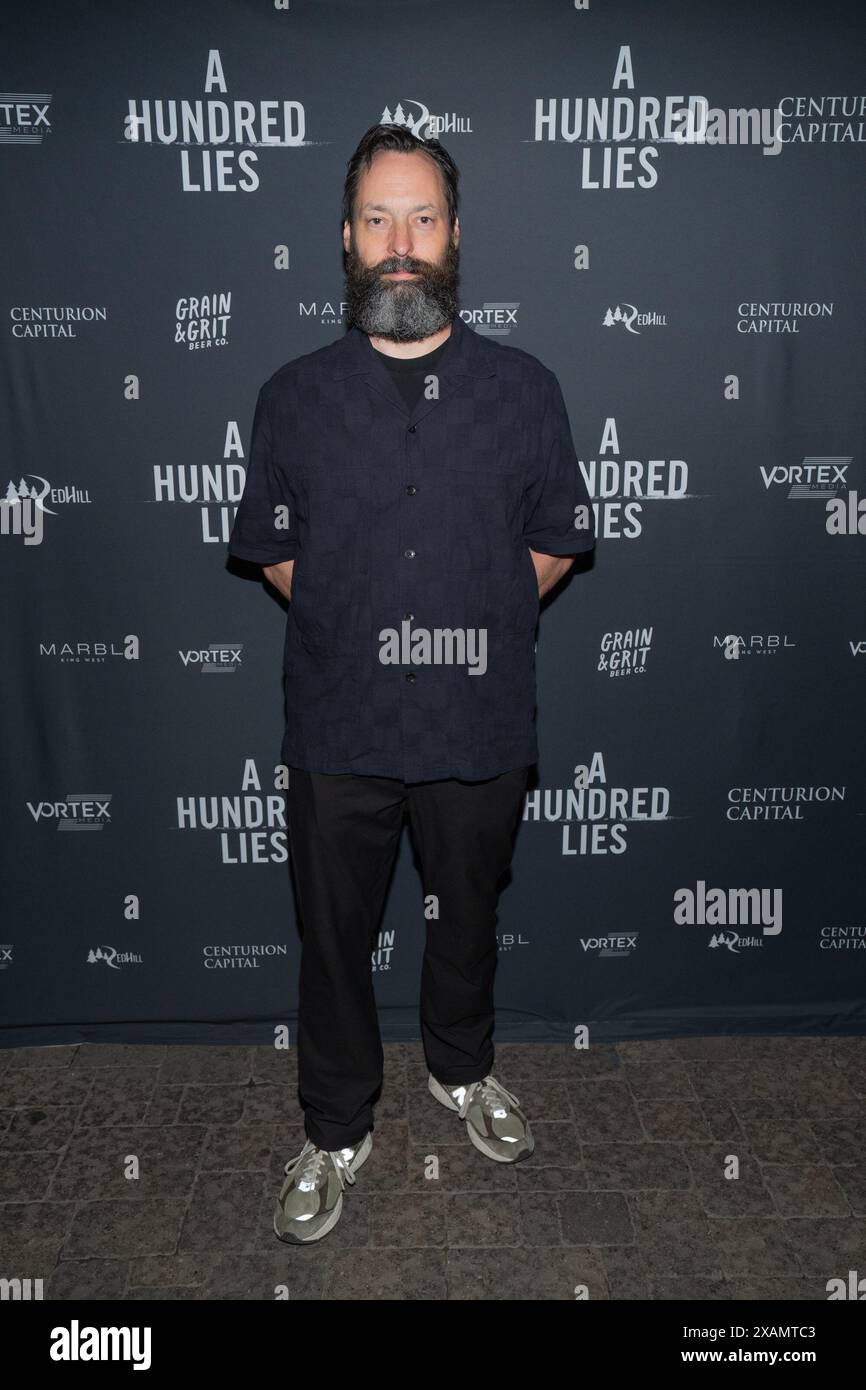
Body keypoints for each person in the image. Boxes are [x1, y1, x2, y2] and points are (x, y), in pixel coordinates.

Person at [227, 122, 596, 1244]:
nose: (400, 243)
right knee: (332, 938)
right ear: (346, 239)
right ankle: (335, 1128)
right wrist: (362, 630)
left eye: (421, 219)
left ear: (451, 237)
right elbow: (276, 549)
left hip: (478, 717)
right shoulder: (291, 394)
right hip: (337, 721)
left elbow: (554, 539)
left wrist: (467, 627)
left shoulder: (523, 387)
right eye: (378, 219)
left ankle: (459, 1068)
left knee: (466, 917)